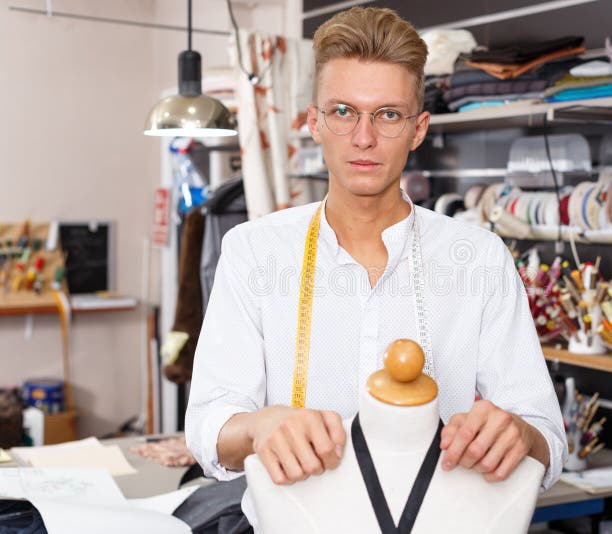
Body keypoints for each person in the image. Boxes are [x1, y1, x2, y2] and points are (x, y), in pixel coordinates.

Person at [185, 6, 566, 506]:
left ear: (418, 128)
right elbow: (209, 426)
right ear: (314, 123)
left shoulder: (479, 260)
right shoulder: (254, 252)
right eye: (343, 111)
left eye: (388, 114)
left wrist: (519, 434)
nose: (364, 138)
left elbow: (548, 440)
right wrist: (259, 428)